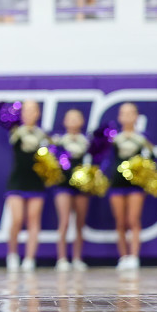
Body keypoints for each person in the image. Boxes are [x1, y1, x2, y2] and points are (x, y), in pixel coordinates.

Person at [2, 101, 48, 273]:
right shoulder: (16, 132)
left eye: (33, 110)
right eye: (26, 110)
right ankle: (12, 255)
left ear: (38, 113)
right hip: (17, 181)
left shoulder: (43, 136)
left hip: (35, 182)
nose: (29, 113)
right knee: (17, 219)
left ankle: (30, 258)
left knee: (33, 220)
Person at [109, 102, 153, 272]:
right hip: (117, 184)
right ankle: (123, 256)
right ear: (119, 117)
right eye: (124, 113)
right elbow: (108, 160)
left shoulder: (143, 138)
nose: (127, 116)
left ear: (136, 116)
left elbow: (151, 160)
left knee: (133, 220)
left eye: (131, 113)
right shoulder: (114, 138)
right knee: (120, 222)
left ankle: (134, 256)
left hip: (135, 185)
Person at [52, 108, 90, 272]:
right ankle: (61, 258)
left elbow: (94, 162)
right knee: (65, 221)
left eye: (77, 118)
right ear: (65, 121)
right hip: (63, 185)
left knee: (79, 223)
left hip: (81, 186)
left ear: (82, 121)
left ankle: (77, 258)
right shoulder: (59, 141)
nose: (73, 121)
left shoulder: (87, 142)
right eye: (70, 118)